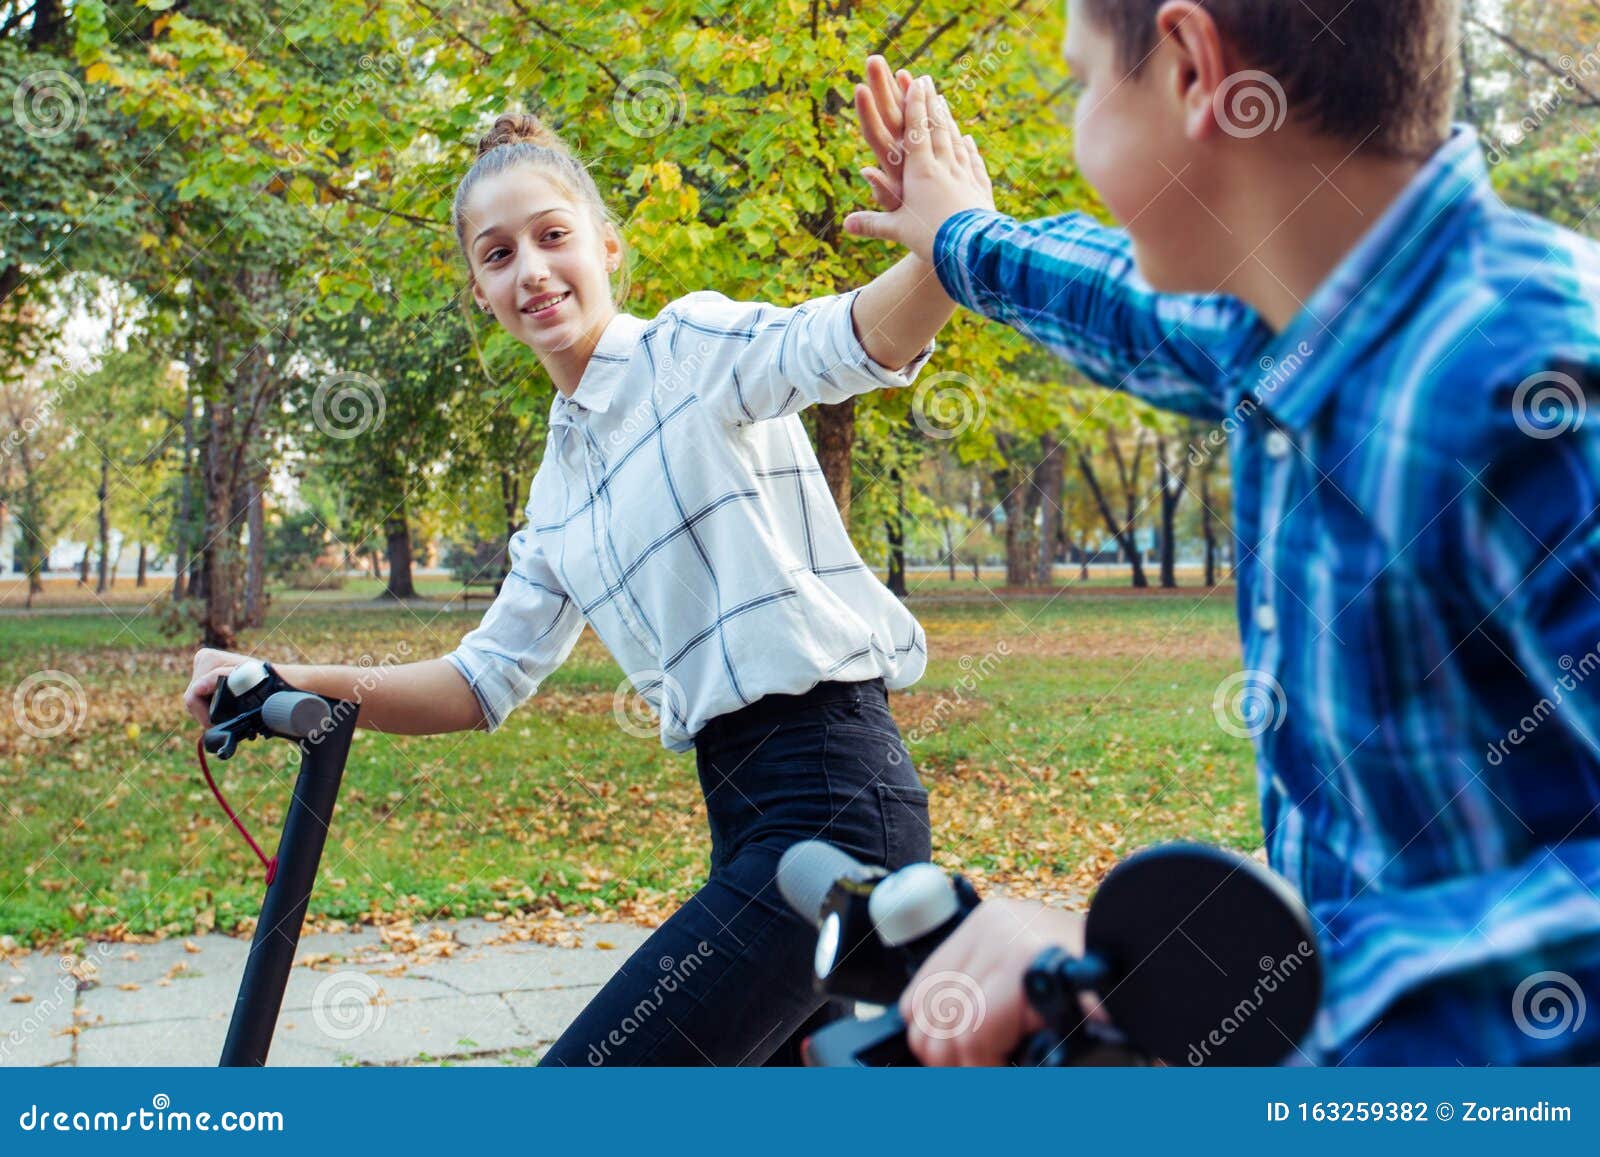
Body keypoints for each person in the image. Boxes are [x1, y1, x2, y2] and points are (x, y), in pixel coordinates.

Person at [846, 0, 1600, 1067]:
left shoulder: (1536, 389)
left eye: (1078, 88)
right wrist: (957, 236)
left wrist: (1225, 986)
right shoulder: (1300, 325)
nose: (1074, 132)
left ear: (1197, 69)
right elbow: (1123, 307)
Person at [184, 110, 960, 1065]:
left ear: (607, 245)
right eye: (498, 253)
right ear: (480, 290)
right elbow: (480, 681)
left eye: (554, 236)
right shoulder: (559, 488)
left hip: (836, 803)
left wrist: (945, 245)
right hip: (746, 815)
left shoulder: (689, 349)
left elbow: (844, 341)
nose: (533, 271)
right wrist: (281, 673)